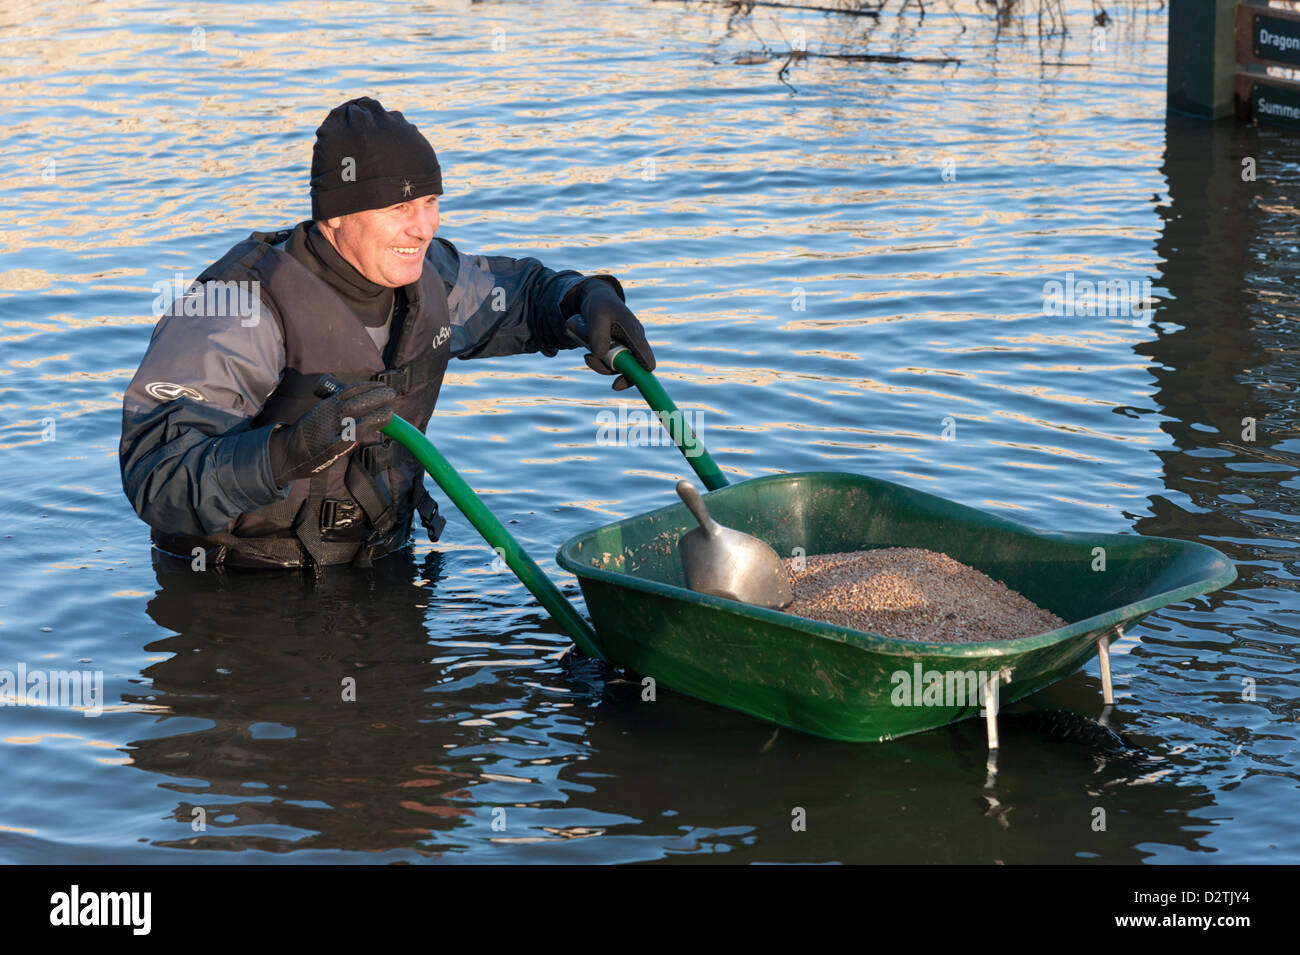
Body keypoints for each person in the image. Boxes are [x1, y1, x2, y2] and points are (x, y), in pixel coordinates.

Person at [120, 96, 655, 571]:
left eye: (429, 202)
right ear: (335, 217)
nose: (424, 227)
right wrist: (288, 452)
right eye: (399, 207)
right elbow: (157, 480)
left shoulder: (429, 277)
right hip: (243, 593)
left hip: (382, 562)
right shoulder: (238, 309)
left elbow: (521, 297)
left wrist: (584, 298)